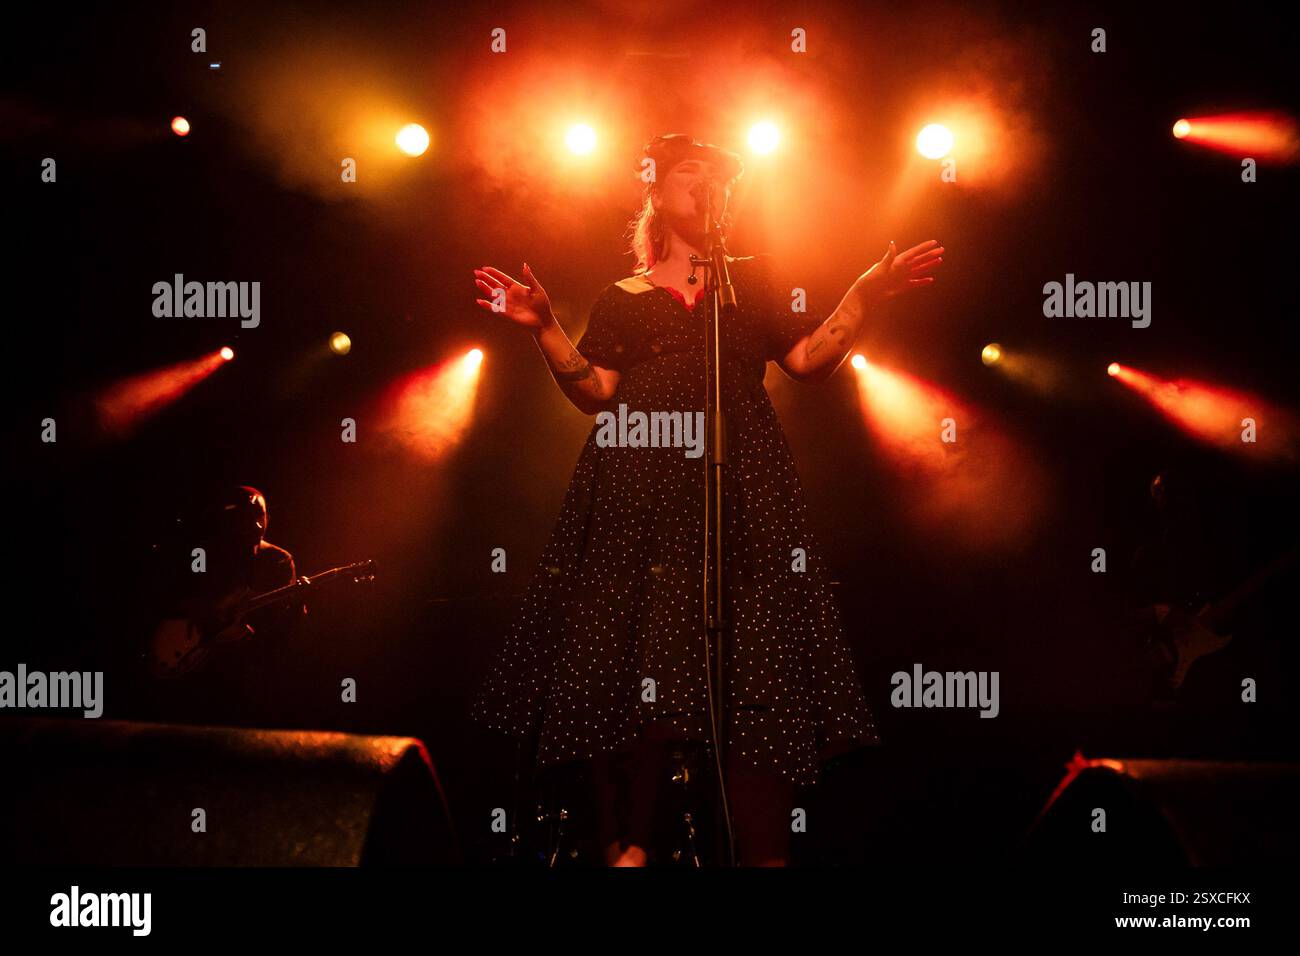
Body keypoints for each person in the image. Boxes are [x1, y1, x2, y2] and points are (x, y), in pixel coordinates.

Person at [470, 133, 944, 865]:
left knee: (753, 658)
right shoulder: (622, 298)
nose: (706, 181)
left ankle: (761, 849)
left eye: (717, 174)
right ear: (656, 189)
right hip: (640, 478)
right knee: (627, 649)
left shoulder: (751, 284)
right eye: (689, 169)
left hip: (742, 481)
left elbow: (811, 359)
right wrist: (544, 328)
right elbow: (595, 391)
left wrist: (864, 292)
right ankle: (626, 842)